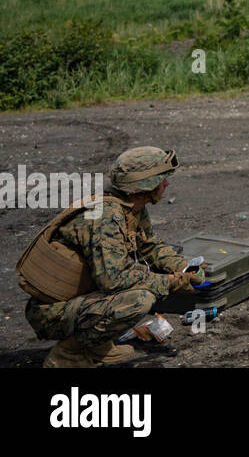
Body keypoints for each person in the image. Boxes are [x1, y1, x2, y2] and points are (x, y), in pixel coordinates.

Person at [20, 147, 203, 368]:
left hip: (77, 299)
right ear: (146, 186)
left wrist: (184, 267)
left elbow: (150, 247)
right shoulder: (106, 217)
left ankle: (96, 344)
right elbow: (114, 279)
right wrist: (171, 282)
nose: (167, 184)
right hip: (51, 312)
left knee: (142, 287)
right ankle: (68, 355)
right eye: (162, 180)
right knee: (139, 299)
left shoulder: (130, 206)